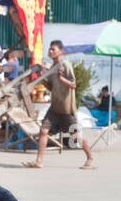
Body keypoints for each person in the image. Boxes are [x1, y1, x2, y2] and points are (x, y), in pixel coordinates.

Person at [26, 39, 96, 170]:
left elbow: (73, 85)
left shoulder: (65, 65)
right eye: (50, 49)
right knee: (43, 131)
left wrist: (62, 78)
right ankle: (39, 161)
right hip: (54, 108)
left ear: (61, 51)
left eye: (54, 49)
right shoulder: (53, 67)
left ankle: (90, 157)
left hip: (66, 108)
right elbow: (52, 87)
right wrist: (41, 79)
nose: (51, 51)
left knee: (75, 133)